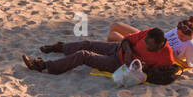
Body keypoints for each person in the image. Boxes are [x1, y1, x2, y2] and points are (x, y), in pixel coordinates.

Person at [24, 26, 173, 75]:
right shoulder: (148, 33)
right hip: (118, 49)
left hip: (118, 64)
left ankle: (44, 66)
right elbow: (127, 40)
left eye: (149, 45)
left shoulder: (166, 58)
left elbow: (158, 76)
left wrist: (143, 69)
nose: (145, 45)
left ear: (160, 45)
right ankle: (60, 47)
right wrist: (128, 51)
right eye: (145, 42)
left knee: (84, 56)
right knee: (88, 43)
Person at [108, 16, 193, 67]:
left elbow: (189, 65)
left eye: (182, 37)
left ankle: (112, 52)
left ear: (191, 35)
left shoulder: (191, 46)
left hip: (153, 50)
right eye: (178, 34)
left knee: (113, 35)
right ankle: (112, 49)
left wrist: (176, 58)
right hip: (153, 40)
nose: (179, 37)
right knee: (115, 25)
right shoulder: (179, 29)